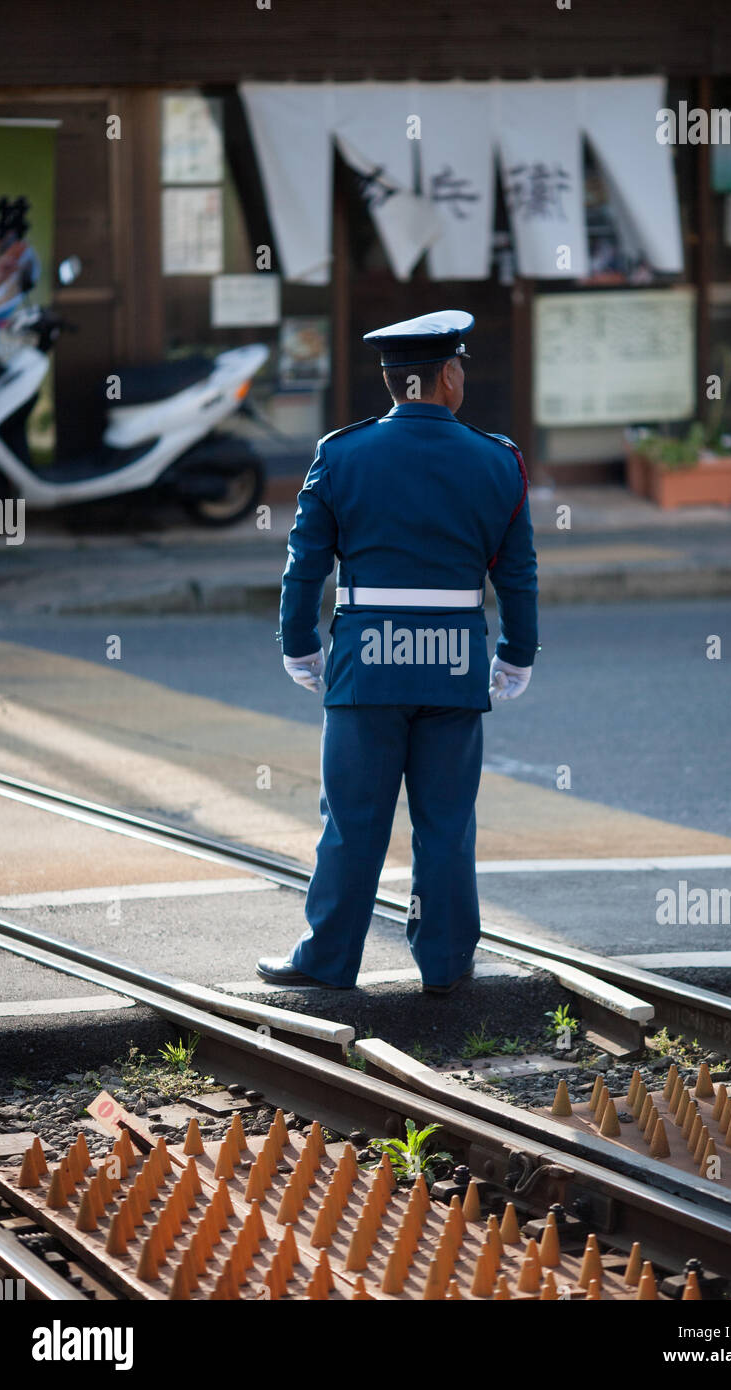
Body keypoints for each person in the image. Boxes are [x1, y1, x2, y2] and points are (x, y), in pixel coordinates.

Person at [256, 309, 538, 994]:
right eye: (460, 367)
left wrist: (298, 647)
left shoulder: (342, 454)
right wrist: (515, 654)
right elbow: (517, 573)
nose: (461, 376)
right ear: (446, 377)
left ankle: (328, 961)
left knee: (352, 823)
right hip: (454, 667)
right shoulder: (497, 461)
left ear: (392, 380)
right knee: (445, 824)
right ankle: (444, 964)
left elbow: (306, 565)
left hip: (366, 668)